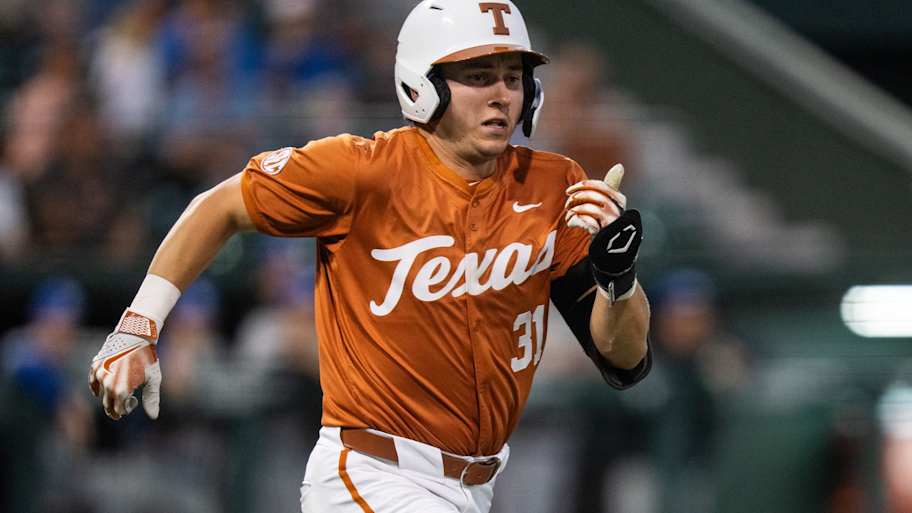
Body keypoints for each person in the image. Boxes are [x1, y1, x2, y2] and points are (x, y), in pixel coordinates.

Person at [87, 2, 652, 512]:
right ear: (423, 86)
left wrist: (618, 282)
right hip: (372, 475)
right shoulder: (361, 170)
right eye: (478, 76)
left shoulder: (555, 185)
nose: (502, 93)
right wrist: (139, 325)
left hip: (475, 487)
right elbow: (220, 205)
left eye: (513, 76)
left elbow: (623, 358)